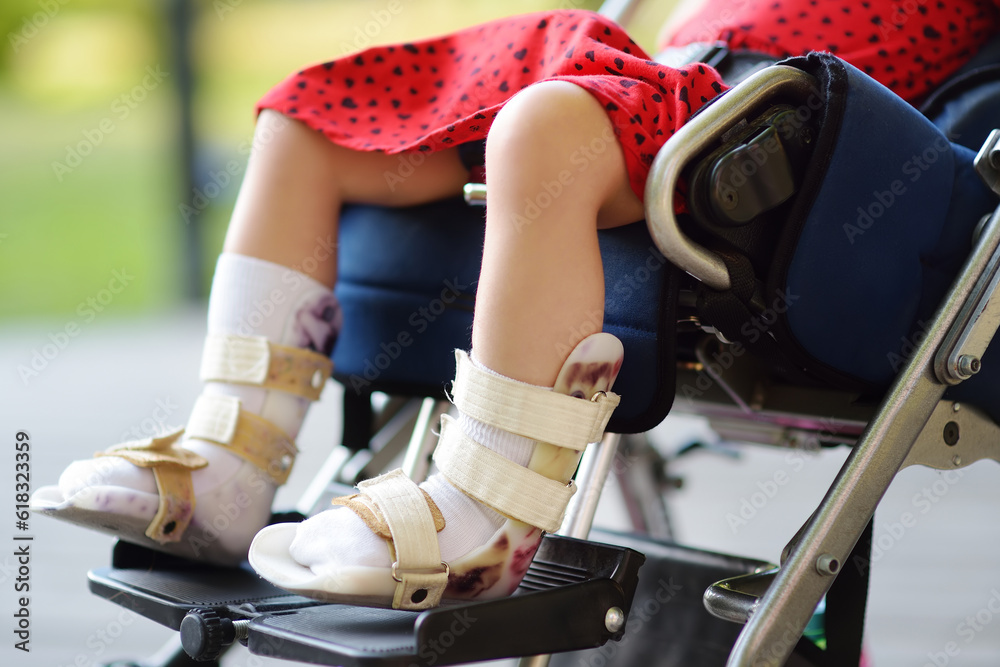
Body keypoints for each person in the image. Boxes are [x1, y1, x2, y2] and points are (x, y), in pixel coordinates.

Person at [31, 0, 1000, 609]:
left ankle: (486, 514)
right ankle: (231, 455)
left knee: (544, 127)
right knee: (310, 115)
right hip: (672, 80)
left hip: (791, 151)